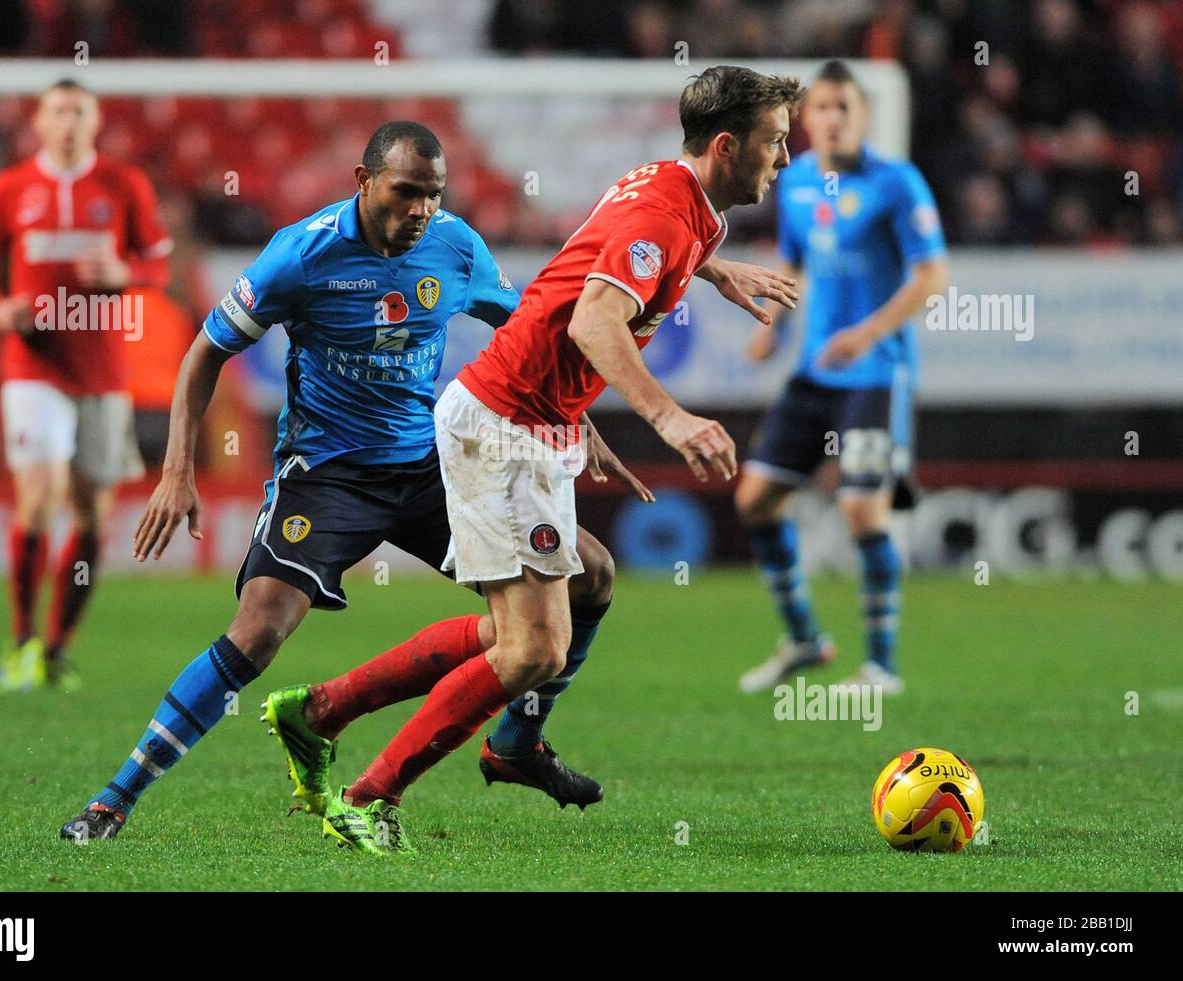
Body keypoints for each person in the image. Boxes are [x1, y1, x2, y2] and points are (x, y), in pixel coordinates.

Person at [60, 121, 639, 843]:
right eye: (405, 193)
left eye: (433, 195)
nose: (421, 210)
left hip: (429, 466)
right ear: (363, 184)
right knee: (259, 631)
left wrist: (576, 419)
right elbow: (204, 353)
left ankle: (515, 742)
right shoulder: (301, 255)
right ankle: (115, 798)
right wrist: (178, 471)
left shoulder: (454, 245)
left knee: (588, 576)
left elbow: (525, 331)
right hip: (328, 473)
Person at [302, 67, 803, 853]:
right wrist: (669, 417)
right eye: (775, 142)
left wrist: (715, 269)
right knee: (532, 647)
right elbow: (595, 324)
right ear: (728, 144)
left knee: (590, 580)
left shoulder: (685, 199)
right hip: (504, 423)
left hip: (534, 421)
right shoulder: (666, 216)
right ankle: (369, 793)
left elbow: (632, 243)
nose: (785, 157)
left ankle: (391, 719)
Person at [735, 61, 948, 696]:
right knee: (755, 500)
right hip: (813, 374)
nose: (833, 118)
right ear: (807, 120)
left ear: (863, 115)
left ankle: (880, 665)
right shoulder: (796, 184)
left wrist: (868, 334)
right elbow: (794, 262)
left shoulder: (897, 183)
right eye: (822, 108)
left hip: (875, 374)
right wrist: (771, 320)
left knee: (860, 507)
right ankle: (803, 636)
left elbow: (931, 278)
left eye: (844, 108)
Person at [0, 78, 171, 692]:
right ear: (38, 121)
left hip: (104, 373)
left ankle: (56, 649)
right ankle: (21, 639)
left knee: (91, 518)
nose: (69, 120)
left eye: (80, 110)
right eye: (58, 110)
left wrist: (125, 272)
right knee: (39, 499)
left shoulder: (123, 184)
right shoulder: (10, 188)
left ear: (97, 120)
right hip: (33, 367)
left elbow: (158, 263)